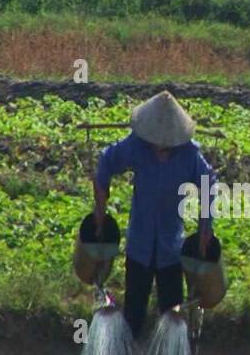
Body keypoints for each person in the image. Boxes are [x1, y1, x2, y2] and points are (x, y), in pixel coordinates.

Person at [93, 91, 217, 340]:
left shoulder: (189, 155)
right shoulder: (136, 146)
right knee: (134, 310)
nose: (161, 149)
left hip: (170, 246)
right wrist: (100, 208)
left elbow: (209, 183)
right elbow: (106, 162)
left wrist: (206, 227)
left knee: (172, 311)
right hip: (140, 243)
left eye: (166, 145)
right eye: (156, 145)